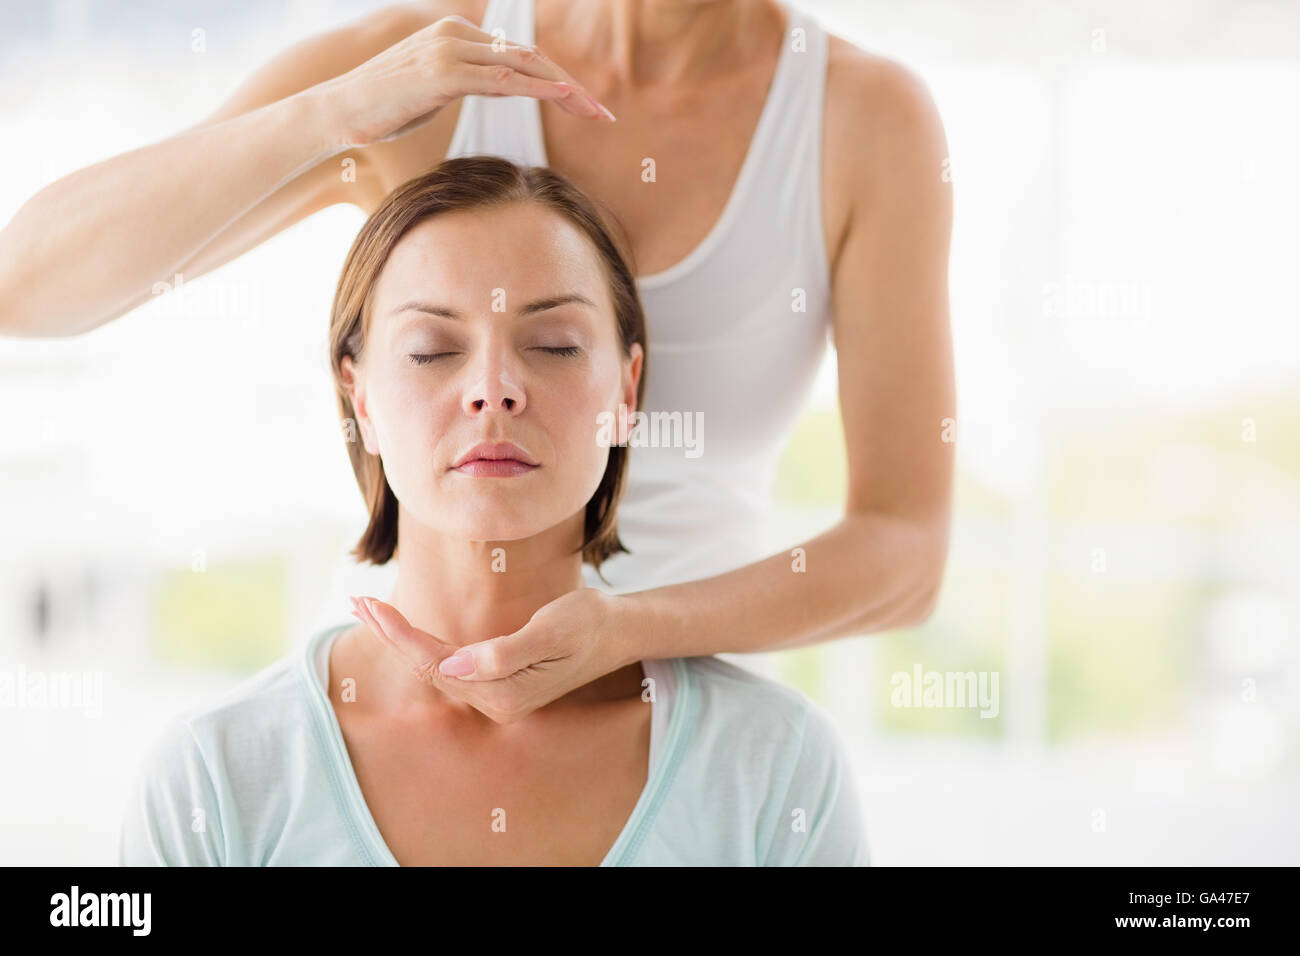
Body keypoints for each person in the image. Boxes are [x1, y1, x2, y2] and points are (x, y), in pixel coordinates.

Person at [1, 0, 955, 721]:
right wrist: (330, 115)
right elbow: (28, 288)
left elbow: (905, 551)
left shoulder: (862, 120)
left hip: (693, 725)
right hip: (412, 700)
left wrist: (627, 632)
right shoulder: (427, 68)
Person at [118, 155, 872, 866]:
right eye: (430, 350)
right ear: (362, 399)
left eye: (553, 344)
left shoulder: (775, 767)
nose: (494, 387)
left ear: (627, 393)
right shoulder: (213, 780)